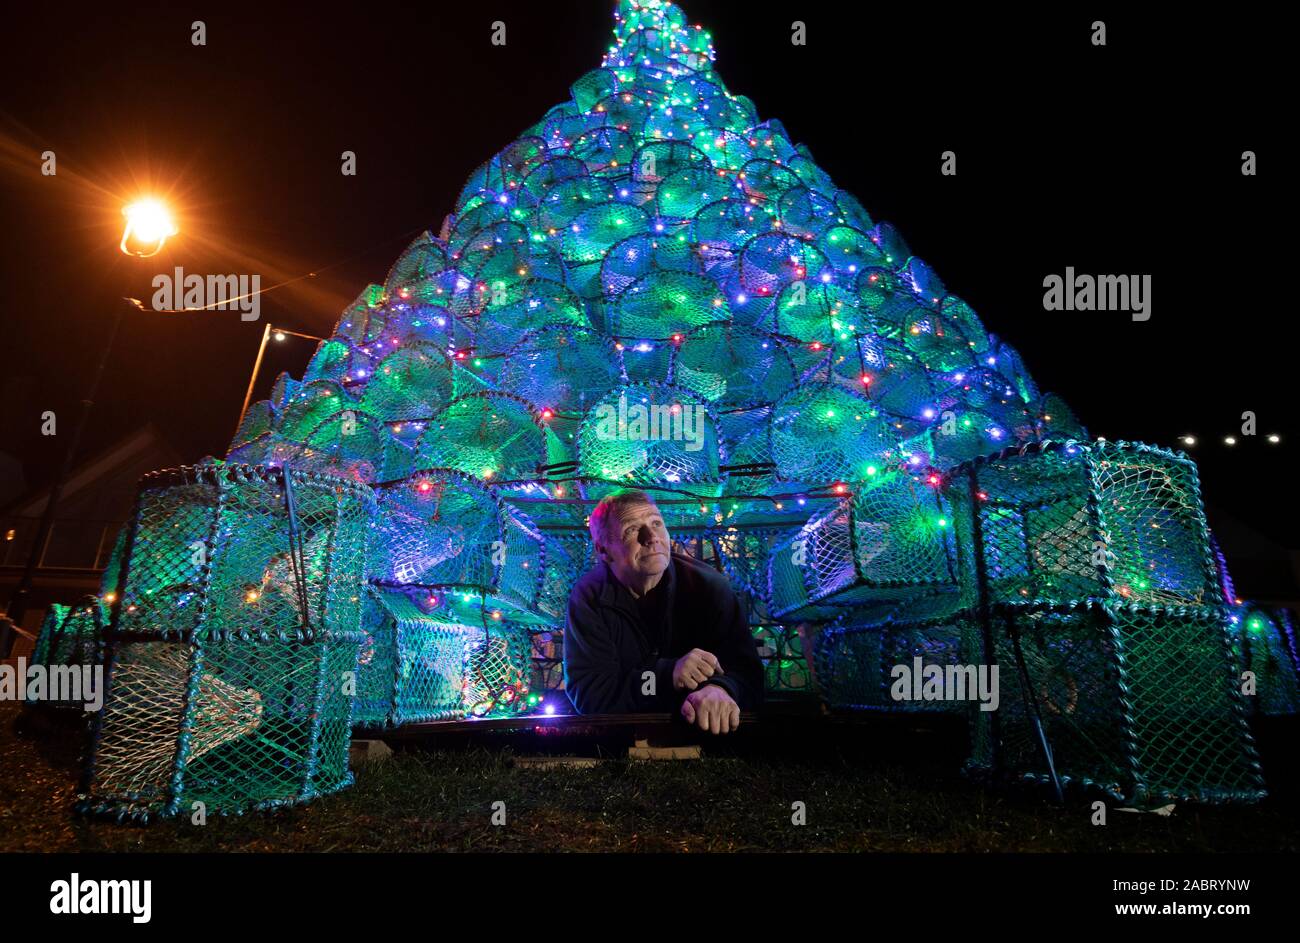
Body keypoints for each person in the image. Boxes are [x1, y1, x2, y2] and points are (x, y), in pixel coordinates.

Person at [563, 488, 764, 733]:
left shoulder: (709, 587)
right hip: (619, 744)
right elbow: (591, 695)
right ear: (603, 550)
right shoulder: (589, 598)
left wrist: (721, 688)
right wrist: (667, 675)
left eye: (656, 523)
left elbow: (749, 675)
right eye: (632, 529)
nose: (652, 537)